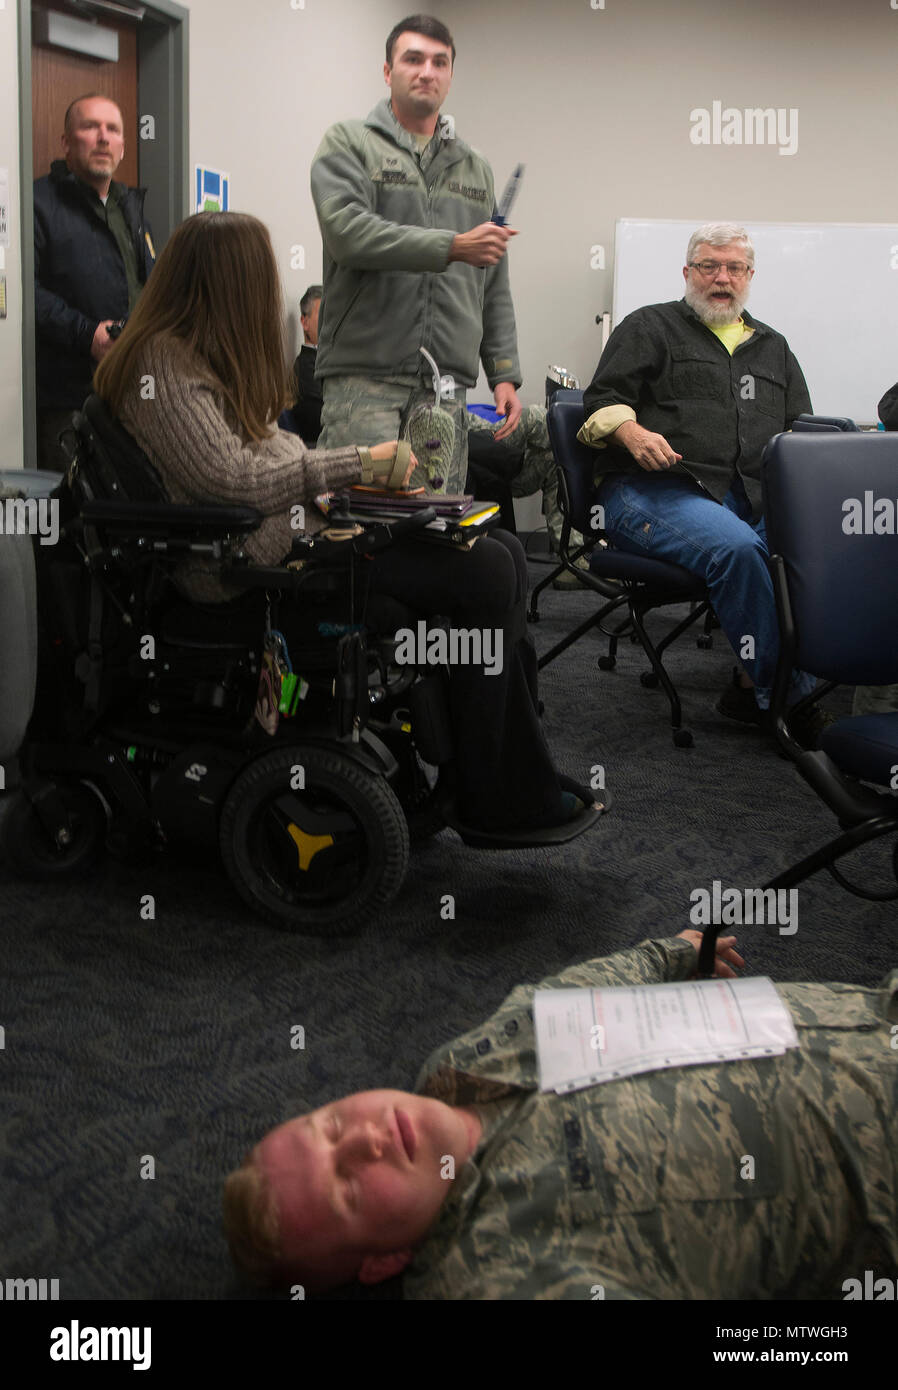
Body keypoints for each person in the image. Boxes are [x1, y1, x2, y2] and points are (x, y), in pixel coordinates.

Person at [92, 211, 600, 837]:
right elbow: (229, 480)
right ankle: (500, 794)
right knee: (489, 568)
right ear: (230, 282)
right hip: (241, 565)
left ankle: (512, 773)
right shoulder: (163, 366)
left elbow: (268, 456)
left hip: (283, 535)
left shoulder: (193, 356)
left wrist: (348, 478)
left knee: (500, 549)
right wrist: (356, 463)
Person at [222, 928, 898, 1299]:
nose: (366, 1140)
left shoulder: (457, 1068)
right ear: (383, 1261)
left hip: (868, 1010)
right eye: (345, 1189)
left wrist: (668, 953)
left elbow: (562, 997)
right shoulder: (492, 1274)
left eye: (333, 1125)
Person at [579, 223, 823, 744]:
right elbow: (600, 400)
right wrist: (631, 429)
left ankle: (748, 682)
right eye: (709, 266)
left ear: (749, 276)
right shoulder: (651, 326)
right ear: (688, 272)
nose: (721, 278)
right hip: (654, 490)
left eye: (734, 268)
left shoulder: (773, 348)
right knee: (737, 549)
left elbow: (801, 428)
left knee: (814, 546)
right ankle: (789, 706)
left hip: (750, 495)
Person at [310, 14, 523, 495]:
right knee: (357, 521)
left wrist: (504, 371)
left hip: (445, 387)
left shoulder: (475, 166)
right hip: (366, 379)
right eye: (413, 59)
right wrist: (452, 246)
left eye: (439, 62)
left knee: (437, 527)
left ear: (450, 75)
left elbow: (493, 277)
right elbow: (348, 233)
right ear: (388, 71)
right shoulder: (348, 143)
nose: (427, 71)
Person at [33, 94, 155, 471]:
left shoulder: (131, 208)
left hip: (133, 395)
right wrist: (87, 334)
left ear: (122, 147)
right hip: (67, 403)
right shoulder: (37, 203)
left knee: (128, 515)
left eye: (113, 129)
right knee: (70, 519)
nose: (103, 138)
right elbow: (24, 294)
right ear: (67, 142)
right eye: (90, 127)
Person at [281, 285, 324, 446]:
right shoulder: (305, 369)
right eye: (322, 314)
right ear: (304, 322)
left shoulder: (332, 362)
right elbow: (319, 421)